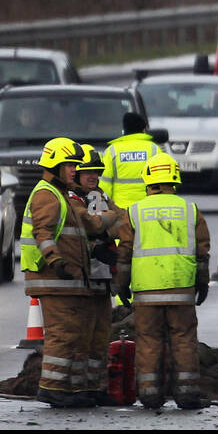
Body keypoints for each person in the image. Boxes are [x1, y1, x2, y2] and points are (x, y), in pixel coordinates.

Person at [19, 136, 124, 408]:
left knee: (81, 334)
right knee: (63, 334)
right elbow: (43, 232)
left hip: (71, 279)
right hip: (54, 278)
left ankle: (78, 388)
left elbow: (91, 228)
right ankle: (52, 387)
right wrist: (56, 261)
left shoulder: (64, 195)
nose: (76, 171)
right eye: (71, 166)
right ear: (54, 165)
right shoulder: (48, 194)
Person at [113, 153, 211, 410]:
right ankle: (188, 394)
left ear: (148, 181)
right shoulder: (190, 211)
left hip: (147, 292)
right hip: (181, 290)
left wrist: (121, 285)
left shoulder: (134, 212)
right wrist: (202, 283)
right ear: (174, 180)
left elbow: (124, 254)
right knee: (184, 339)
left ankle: (150, 395)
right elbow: (202, 253)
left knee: (149, 340)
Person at [73, 144, 121, 405]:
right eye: (87, 172)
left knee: (101, 334)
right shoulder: (72, 200)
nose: (93, 176)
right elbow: (81, 234)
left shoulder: (99, 196)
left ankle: (94, 387)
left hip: (102, 278)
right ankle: (79, 389)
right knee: (83, 334)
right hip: (82, 280)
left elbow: (120, 224)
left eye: (97, 172)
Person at [100, 112, 162, 208]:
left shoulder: (112, 151)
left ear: (124, 130)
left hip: (121, 211)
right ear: (143, 129)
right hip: (148, 210)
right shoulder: (154, 149)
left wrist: (104, 210)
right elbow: (165, 182)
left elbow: (104, 185)